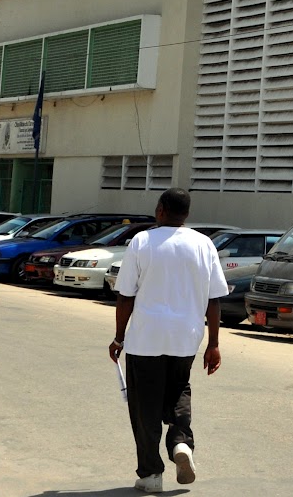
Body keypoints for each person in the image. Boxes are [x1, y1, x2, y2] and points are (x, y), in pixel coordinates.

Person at [108, 188, 228, 494]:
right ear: (186, 214)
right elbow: (214, 301)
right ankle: (180, 444)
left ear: (161, 209)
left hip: (146, 338)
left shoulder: (142, 241)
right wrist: (213, 343)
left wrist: (119, 337)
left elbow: (125, 296)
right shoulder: (204, 244)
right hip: (185, 338)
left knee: (144, 407)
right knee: (178, 392)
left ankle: (151, 475)